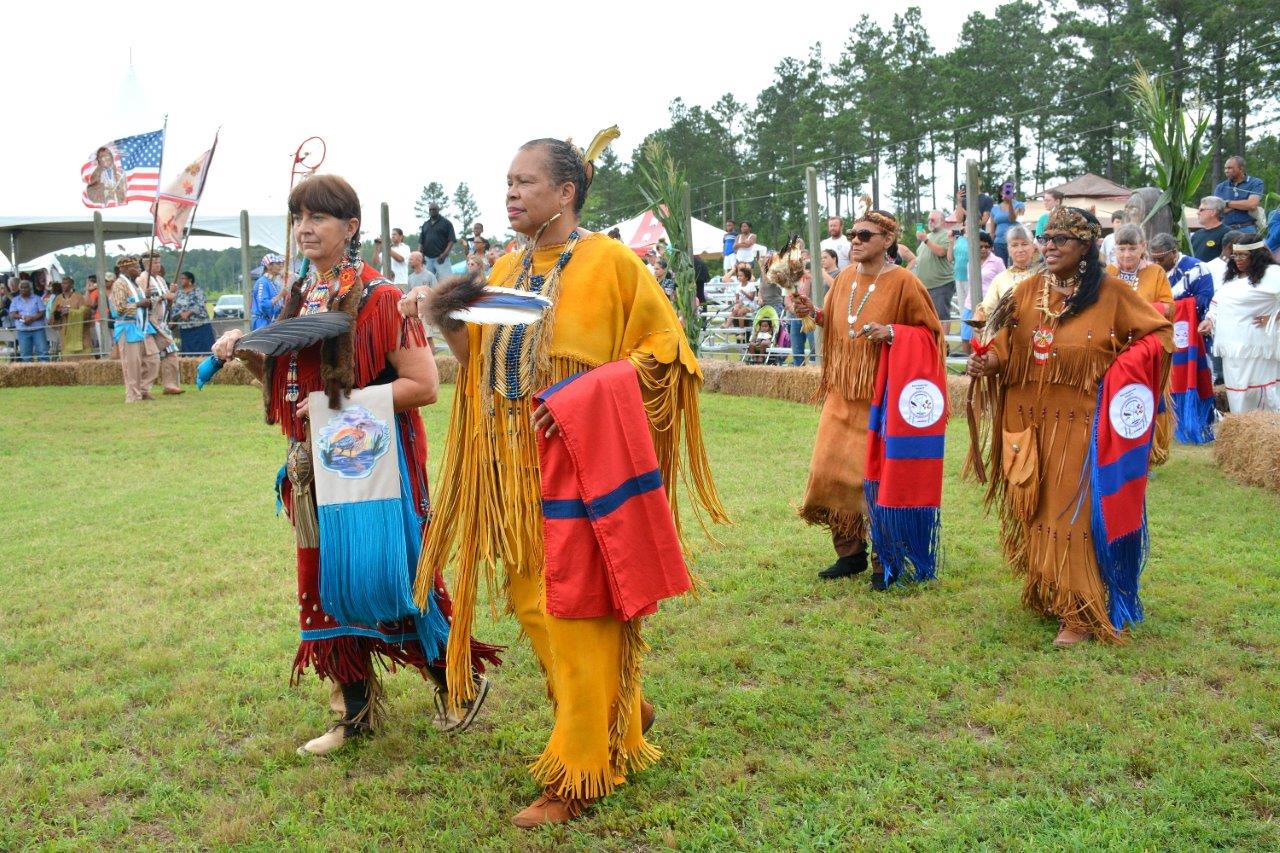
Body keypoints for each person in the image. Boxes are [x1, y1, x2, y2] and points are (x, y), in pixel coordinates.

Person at [401, 134, 726, 828]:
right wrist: (443, 320)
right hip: (511, 472)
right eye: (508, 181)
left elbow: (667, 354)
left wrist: (582, 399)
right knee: (530, 603)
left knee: (577, 611)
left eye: (525, 182)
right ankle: (617, 707)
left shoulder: (611, 263)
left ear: (566, 191)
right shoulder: (510, 268)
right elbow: (482, 363)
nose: (511, 193)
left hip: (580, 467)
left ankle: (579, 771)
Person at [212, 174, 500, 757]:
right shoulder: (298, 298)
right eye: (299, 218)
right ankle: (354, 711)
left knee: (392, 575)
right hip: (313, 468)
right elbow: (283, 391)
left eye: (319, 218)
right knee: (325, 583)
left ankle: (456, 682)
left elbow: (424, 386)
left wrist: (335, 407)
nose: (306, 228)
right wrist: (245, 352)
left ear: (351, 228)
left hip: (376, 465)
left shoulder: (382, 299)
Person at [967, 207, 1172, 647]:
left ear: (1086, 247)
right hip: (1027, 421)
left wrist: (1118, 372)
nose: (1050, 246)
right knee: (1035, 508)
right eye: (1048, 238)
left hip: (1080, 424)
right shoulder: (1027, 292)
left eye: (1063, 239)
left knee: (1070, 515)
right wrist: (990, 361)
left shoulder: (1112, 292)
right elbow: (1004, 344)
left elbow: (1159, 336)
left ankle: (1081, 612)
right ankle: (1052, 591)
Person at [791, 209, 945, 587]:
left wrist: (893, 332)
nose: (855, 241)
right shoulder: (844, 277)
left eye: (865, 235)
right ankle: (850, 553)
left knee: (877, 480)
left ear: (888, 240)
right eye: (853, 235)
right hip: (843, 392)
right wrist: (813, 313)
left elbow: (931, 334)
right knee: (831, 472)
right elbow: (840, 322)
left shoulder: (905, 282)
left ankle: (886, 560)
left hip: (883, 397)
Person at [1200, 237, 1280, 412]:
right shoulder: (1232, 277)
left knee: (1260, 391)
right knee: (1237, 393)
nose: (1238, 260)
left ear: (1257, 255)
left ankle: (1267, 434)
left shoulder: (1273, 273)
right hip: (1231, 349)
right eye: (1235, 255)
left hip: (1258, 347)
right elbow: (1217, 303)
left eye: (1244, 255)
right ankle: (1244, 432)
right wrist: (1209, 320)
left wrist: (1274, 317)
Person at [110, 256, 160, 401]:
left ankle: (143, 389)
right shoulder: (120, 284)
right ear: (126, 269)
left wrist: (148, 300)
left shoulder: (136, 284)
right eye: (136, 267)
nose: (140, 269)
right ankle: (133, 395)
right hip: (127, 327)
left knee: (152, 359)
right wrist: (139, 304)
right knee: (131, 364)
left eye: (139, 267)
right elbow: (119, 309)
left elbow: (143, 303)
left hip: (142, 327)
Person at [137, 253, 183, 395]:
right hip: (149, 323)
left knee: (171, 352)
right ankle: (144, 388)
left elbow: (167, 302)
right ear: (147, 264)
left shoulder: (161, 280)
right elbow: (141, 300)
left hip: (162, 323)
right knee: (152, 357)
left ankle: (170, 384)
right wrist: (164, 296)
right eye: (155, 262)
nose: (158, 265)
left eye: (159, 262)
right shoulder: (142, 279)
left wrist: (171, 295)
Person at [1106, 224, 1175, 318]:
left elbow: (1169, 308)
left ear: (1143, 246)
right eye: (1121, 249)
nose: (1127, 255)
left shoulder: (1156, 272)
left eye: (1132, 249)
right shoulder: (1108, 272)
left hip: (1147, 330)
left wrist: (1138, 309)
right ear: (1115, 248)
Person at [976, 224, 1040, 322]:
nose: (1020, 249)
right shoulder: (1000, 279)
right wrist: (980, 318)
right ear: (1008, 250)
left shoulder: (1044, 275)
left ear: (1033, 247)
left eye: (1024, 244)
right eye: (1014, 245)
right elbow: (987, 309)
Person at [959, 231, 1006, 352]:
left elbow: (1004, 282)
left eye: (987, 246)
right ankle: (968, 365)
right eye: (980, 246)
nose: (984, 249)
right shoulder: (971, 263)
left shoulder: (997, 262)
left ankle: (982, 367)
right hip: (970, 305)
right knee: (965, 338)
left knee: (984, 339)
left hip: (988, 306)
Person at [1150, 233, 1213, 321]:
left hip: (1188, 324)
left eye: (1160, 259)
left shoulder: (1197, 269)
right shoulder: (1151, 269)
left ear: (1174, 252)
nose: (1156, 263)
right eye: (1153, 259)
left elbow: (1205, 301)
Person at [914, 210, 954, 321]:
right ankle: (933, 339)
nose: (930, 222)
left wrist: (925, 240)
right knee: (928, 318)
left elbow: (941, 252)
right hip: (925, 286)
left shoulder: (947, 234)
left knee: (941, 317)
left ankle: (944, 338)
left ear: (942, 221)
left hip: (941, 284)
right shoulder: (927, 236)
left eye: (933, 219)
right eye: (929, 220)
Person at [1213, 155, 1264, 233]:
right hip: (1225, 230)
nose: (1226, 171)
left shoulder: (1255, 183)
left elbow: (1252, 205)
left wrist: (1226, 203)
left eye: (1230, 168)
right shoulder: (1220, 187)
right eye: (1225, 168)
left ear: (1241, 168)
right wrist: (1243, 204)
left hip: (1247, 229)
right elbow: (1217, 210)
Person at [173, 271, 214, 354]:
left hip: (200, 326)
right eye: (180, 279)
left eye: (183, 278)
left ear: (190, 280)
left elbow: (201, 305)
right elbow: (175, 307)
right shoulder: (178, 293)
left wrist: (189, 312)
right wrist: (180, 314)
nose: (181, 280)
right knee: (188, 352)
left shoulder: (198, 291)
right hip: (186, 328)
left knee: (204, 349)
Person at [52, 277, 93, 360]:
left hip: (79, 331)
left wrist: (71, 312)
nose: (64, 285)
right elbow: (53, 316)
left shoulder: (79, 297)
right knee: (67, 356)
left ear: (71, 285)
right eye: (62, 283)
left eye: (66, 283)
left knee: (83, 357)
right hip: (65, 330)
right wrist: (58, 312)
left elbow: (85, 312)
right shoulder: (58, 298)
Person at [8, 278, 48, 361]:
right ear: (19, 288)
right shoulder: (15, 300)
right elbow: (12, 314)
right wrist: (23, 318)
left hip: (38, 329)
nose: (23, 289)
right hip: (23, 330)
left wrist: (32, 318)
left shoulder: (37, 298)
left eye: (25, 287)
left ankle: (45, 372)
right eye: (21, 287)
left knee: (43, 353)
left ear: (30, 288)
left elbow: (42, 312)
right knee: (25, 355)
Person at [784, 270, 816, 366]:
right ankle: (798, 368)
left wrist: (807, 280)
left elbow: (804, 296)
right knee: (797, 349)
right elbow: (787, 300)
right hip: (795, 317)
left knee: (814, 347)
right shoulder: (790, 281)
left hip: (810, 316)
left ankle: (814, 368)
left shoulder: (810, 278)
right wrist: (795, 310)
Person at [418, 202, 456, 279]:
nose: (432, 211)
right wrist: (420, 255)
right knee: (426, 282)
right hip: (427, 259)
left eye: (434, 209)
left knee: (448, 282)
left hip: (441, 259)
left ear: (438, 210)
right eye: (430, 210)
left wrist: (444, 255)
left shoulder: (446, 223)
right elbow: (421, 242)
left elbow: (451, 241)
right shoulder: (425, 224)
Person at [1191, 197, 1231, 262]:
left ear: (1213, 212)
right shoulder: (1196, 234)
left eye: (1201, 210)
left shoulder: (1227, 233)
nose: (1198, 213)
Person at [251, 254, 284, 330]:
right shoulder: (262, 282)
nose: (280, 266)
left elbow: (275, 307)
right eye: (278, 264)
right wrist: (280, 296)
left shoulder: (273, 283)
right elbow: (263, 305)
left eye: (281, 264)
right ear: (269, 266)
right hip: (261, 322)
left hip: (269, 322)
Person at [988, 182, 1018, 265]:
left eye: (1010, 190)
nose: (1008, 192)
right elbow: (992, 230)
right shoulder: (994, 209)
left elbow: (1013, 218)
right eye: (1006, 190)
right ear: (1001, 192)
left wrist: (1010, 202)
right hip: (999, 242)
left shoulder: (1018, 205)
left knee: (1015, 266)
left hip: (1014, 241)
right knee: (1001, 266)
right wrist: (990, 245)